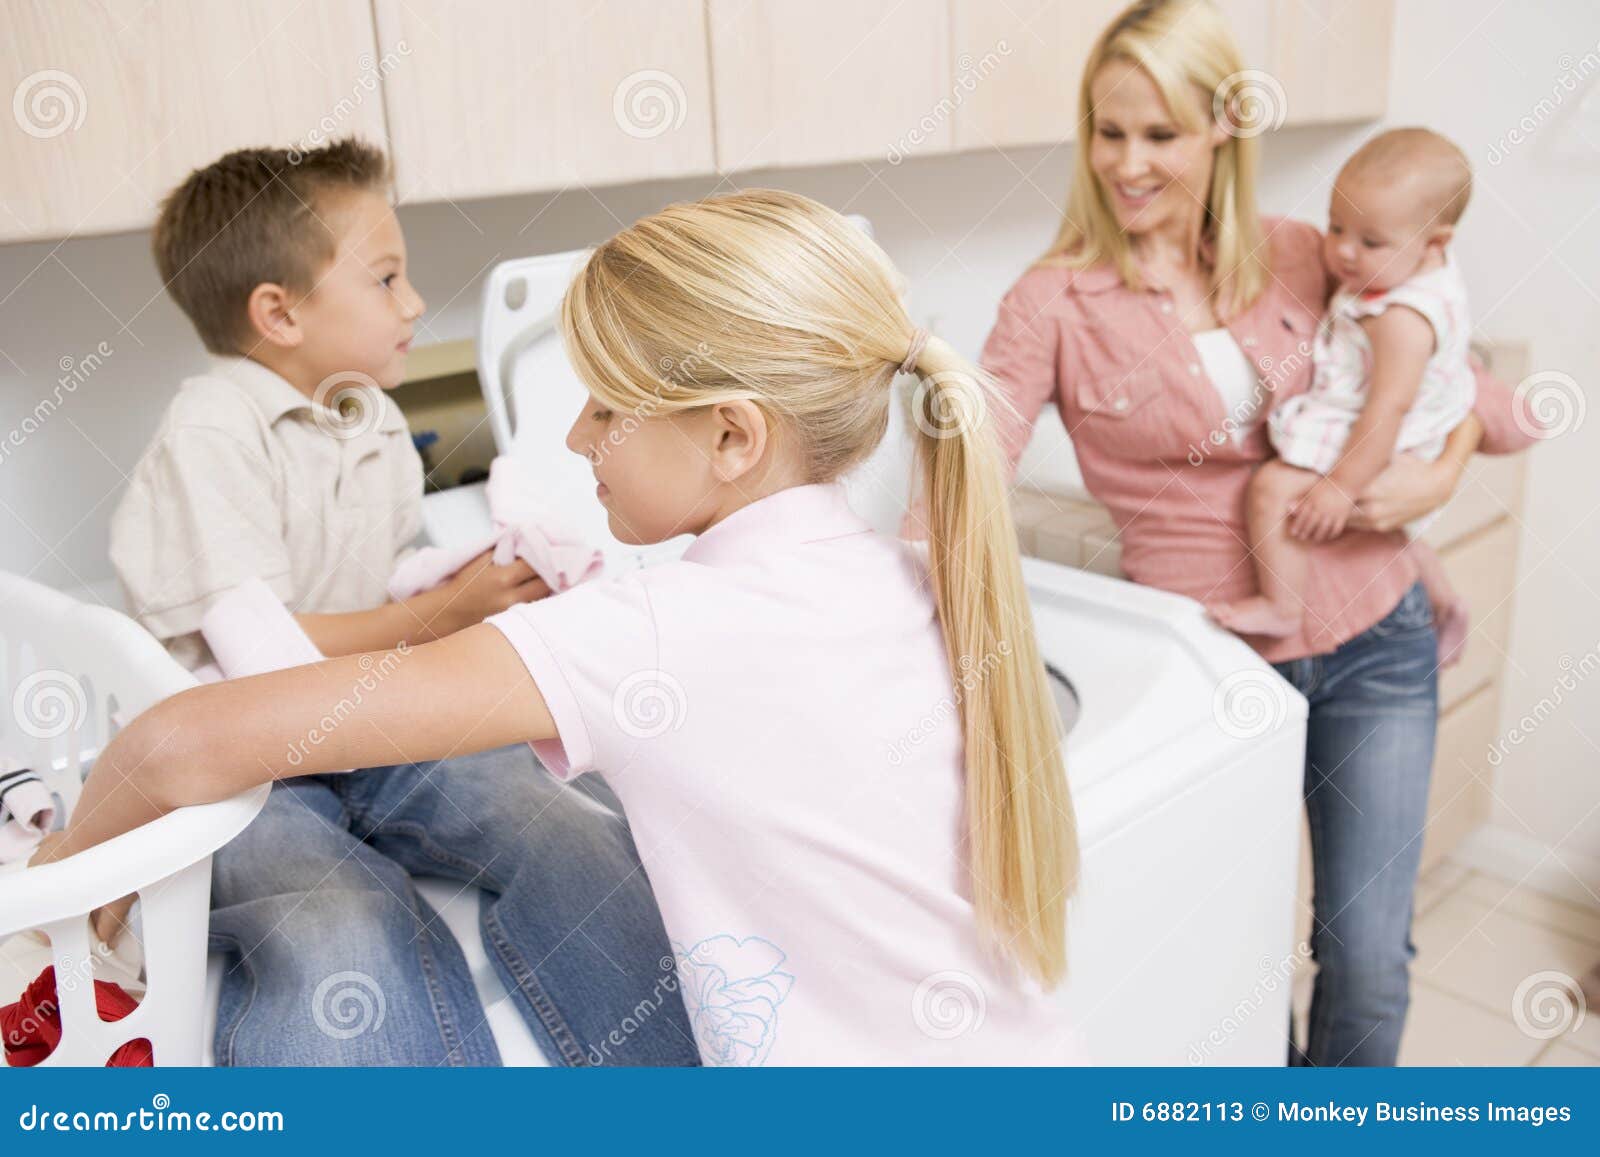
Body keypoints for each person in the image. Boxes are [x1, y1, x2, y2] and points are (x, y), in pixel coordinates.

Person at [41, 188, 1084, 1066]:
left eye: (604, 405)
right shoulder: (920, 579)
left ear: (731, 434)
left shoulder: (650, 632)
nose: (576, 435)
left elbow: (180, 738)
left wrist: (60, 885)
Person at [975, 0, 1538, 1065]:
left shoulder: (1301, 252)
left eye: (1160, 133)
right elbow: (969, 476)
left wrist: (1439, 472)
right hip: (1216, 671)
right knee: (1236, 956)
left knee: (1366, 952)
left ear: (1222, 130)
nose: (1126, 163)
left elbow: (1463, 386)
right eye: (1108, 131)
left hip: (1377, 633)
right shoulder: (1049, 302)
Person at [100, 139, 695, 1066]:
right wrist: (445, 614)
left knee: (575, 837)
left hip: (373, 715)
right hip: (248, 760)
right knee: (339, 923)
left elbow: (379, 578)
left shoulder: (370, 417)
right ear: (278, 313)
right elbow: (259, 651)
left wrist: (471, 579)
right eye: (386, 279)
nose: (415, 303)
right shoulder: (211, 430)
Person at [1208, 128, 1477, 664]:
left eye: (1370, 241)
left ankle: (1281, 605)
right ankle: (1445, 600)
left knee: (1272, 487)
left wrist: (1339, 487)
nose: (1344, 252)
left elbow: (1386, 411)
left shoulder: (1401, 318)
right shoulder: (1402, 275)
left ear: (1436, 244)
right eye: (1336, 226)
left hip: (1390, 433)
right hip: (1403, 423)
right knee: (1396, 528)